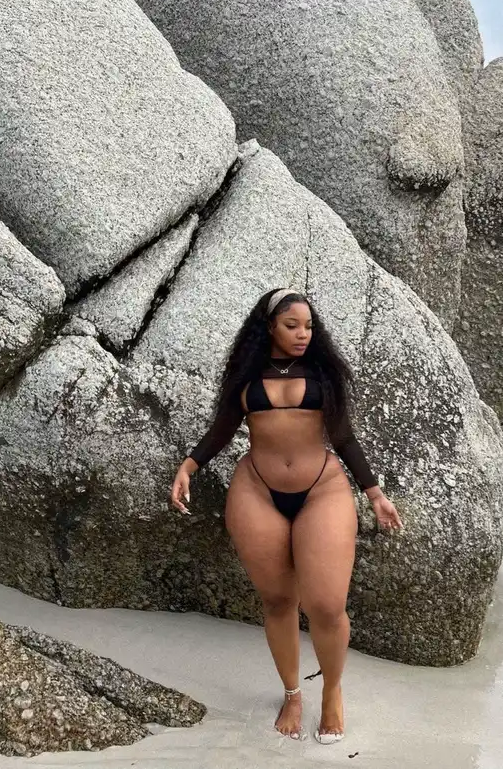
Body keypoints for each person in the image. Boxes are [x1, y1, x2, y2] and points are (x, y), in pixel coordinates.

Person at [170, 287, 403, 743]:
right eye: (292, 325)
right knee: (278, 600)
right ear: (270, 326)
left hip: (322, 489)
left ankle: (331, 691)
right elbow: (223, 428)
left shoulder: (322, 373)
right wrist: (189, 466)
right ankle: (293, 694)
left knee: (327, 606)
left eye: (309, 326)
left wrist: (375, 494)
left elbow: (344, 437)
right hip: (257, 490)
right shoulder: (246, 375)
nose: (303, 334)